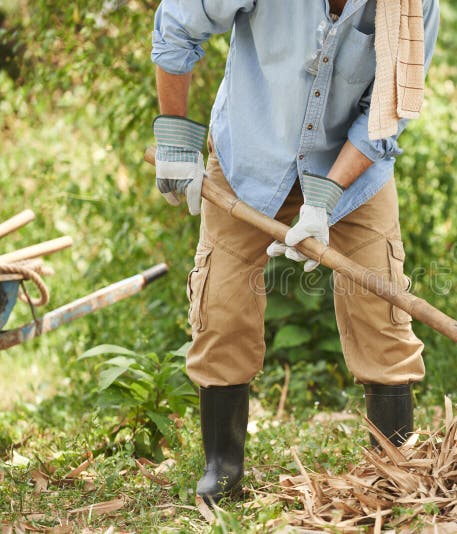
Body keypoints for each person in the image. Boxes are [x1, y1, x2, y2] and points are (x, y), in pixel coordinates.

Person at [150, 0, 439, 504]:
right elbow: (176, 27)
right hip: (249, 158)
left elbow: (386, 113)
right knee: (222, 306)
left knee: (381, 305)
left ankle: (396, 466)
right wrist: (177, 143)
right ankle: (223, 466)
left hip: (353, 174)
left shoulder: (413, 5)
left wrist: (324, 199)